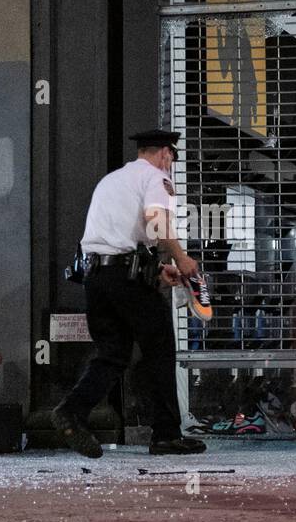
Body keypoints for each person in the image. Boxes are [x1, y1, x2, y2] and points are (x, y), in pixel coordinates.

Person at [52, 130, 207, 458]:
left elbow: (116, 234)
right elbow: (156, 220)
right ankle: (166, 434)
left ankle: (71, 411)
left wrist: (156, 267)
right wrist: (181, 259)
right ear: (166, 154)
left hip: (95, 276)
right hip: (125, 277)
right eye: (172, 159)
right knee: (160, 349)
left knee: (112, 353)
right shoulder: (157, 178)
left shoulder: (110, 180)